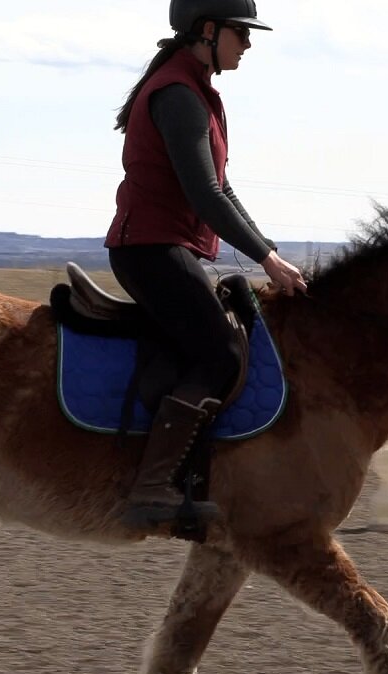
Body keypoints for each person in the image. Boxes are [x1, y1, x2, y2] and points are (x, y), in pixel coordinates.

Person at [105, 0, 307, 530]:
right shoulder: (178, 95)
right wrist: (265, 258)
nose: (249, 43)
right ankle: (152, 488)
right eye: (242, 32)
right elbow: (205, 196)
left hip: (164, 247)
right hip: (150, 250)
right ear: (208, 31)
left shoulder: (197, 93)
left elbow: (223, 190)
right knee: (222, 352)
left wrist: (269, 249)